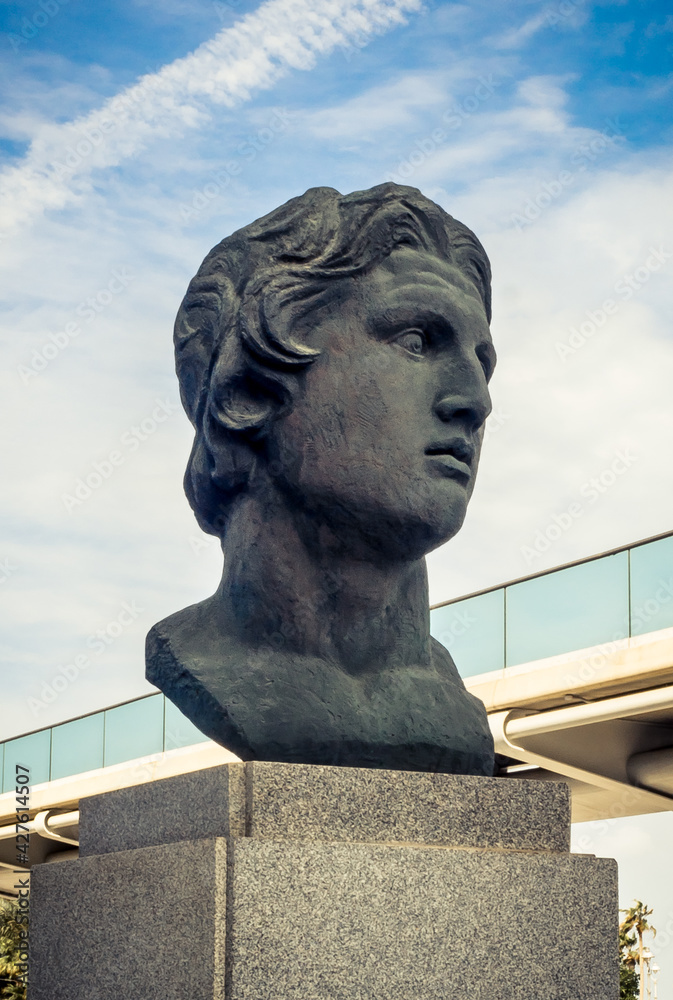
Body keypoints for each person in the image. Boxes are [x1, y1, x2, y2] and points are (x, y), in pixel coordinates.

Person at [147, 182, 496, 775]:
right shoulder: (206, 662)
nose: (476, 401)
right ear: (248, 391)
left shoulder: (454, 711)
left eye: (482, 363)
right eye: (416, 341)